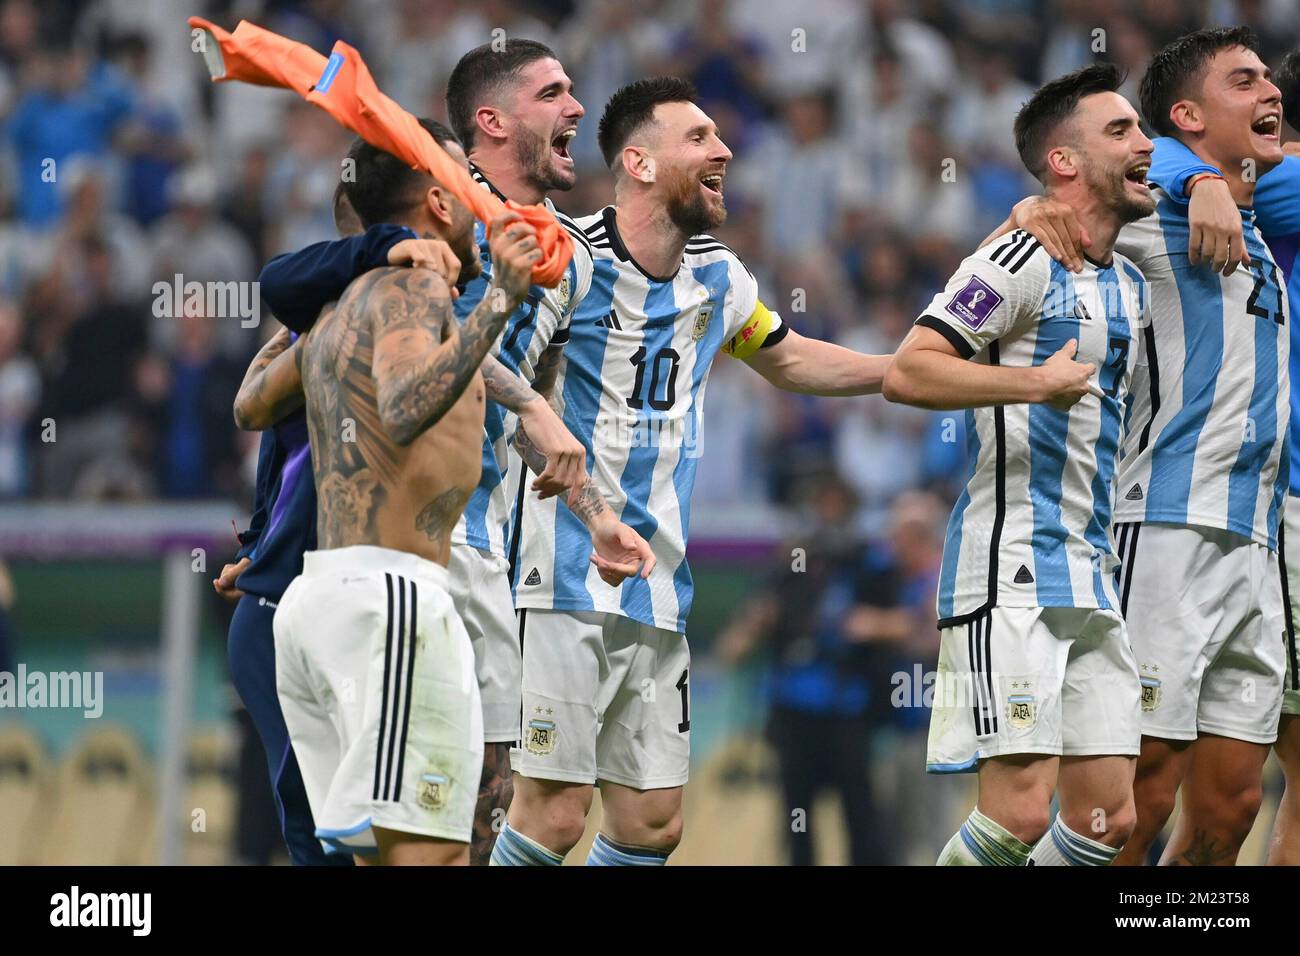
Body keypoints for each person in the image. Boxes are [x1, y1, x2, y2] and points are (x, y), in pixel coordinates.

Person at [237, 41, 654, 863]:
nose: (577, 107)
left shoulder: (546, 255)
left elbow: (268, 397)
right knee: (426, 842)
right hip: (405, 570)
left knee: (442, 833)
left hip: (436, 558)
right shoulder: (430, 256)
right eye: (554, 92)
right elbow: (381, 387)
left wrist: (594, 510)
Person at [495, 77, 889, 866]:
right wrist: (580, 495)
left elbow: (792, 359)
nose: (725, 151)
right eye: (700, 139)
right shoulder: (564, 258)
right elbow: (502, 386)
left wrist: (908, 367)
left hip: (656, 581)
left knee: (652, 825)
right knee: (554, 814)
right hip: (556, 574)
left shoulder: (719, 276)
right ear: (638, 163)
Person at [999, 27, 1290, 866]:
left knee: (1232, 801)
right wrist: (1036, 207)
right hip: (1165, 523)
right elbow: (1059, 206)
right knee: (1138, 794)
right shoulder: (1152, 207)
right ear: (1187, 115)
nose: (1270, 90)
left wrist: (1215, 184)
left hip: (1256, 540)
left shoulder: (1257, 223)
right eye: (1246, 80)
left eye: (1270, 76)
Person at [244, 121, 537, 865]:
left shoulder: (339, 308)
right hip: (393, 597)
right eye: (470, 194)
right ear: (439, 203)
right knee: (432, 856)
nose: (483, 209)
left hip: (322, 601)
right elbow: (405, 405)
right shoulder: (415, 284)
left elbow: (251, 404)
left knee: (371, 858)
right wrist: (501, 297)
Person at [884, 62, 1155, 865]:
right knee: (1019, 818)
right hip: (1011, 570)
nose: (1146, 144)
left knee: (1109, 821)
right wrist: (1033, 381)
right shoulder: (1017, 258)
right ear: (1063, 162)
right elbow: (910, 369)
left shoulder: (1133, 281)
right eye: (1122, 131)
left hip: (1089, 567)